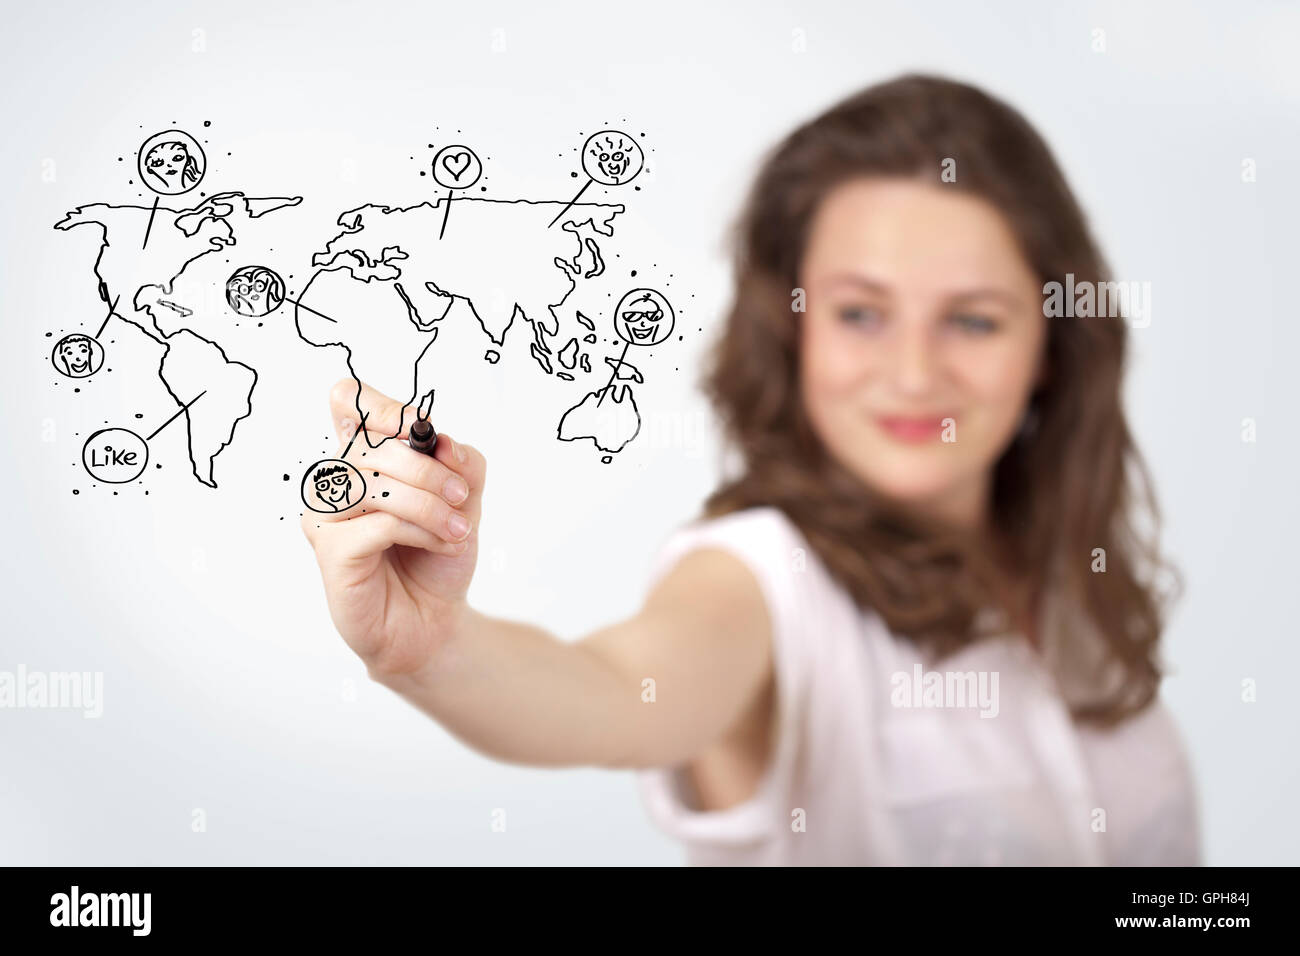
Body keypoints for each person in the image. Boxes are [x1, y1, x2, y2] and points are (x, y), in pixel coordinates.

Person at [300, 74, 1200, 865]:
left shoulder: (1069, 590)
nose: (914, 373)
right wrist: (439, 651)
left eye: (973, 320)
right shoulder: (761, 578)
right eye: (859, 313)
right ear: (791, 329)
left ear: (1052, 345)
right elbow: (614, 691)